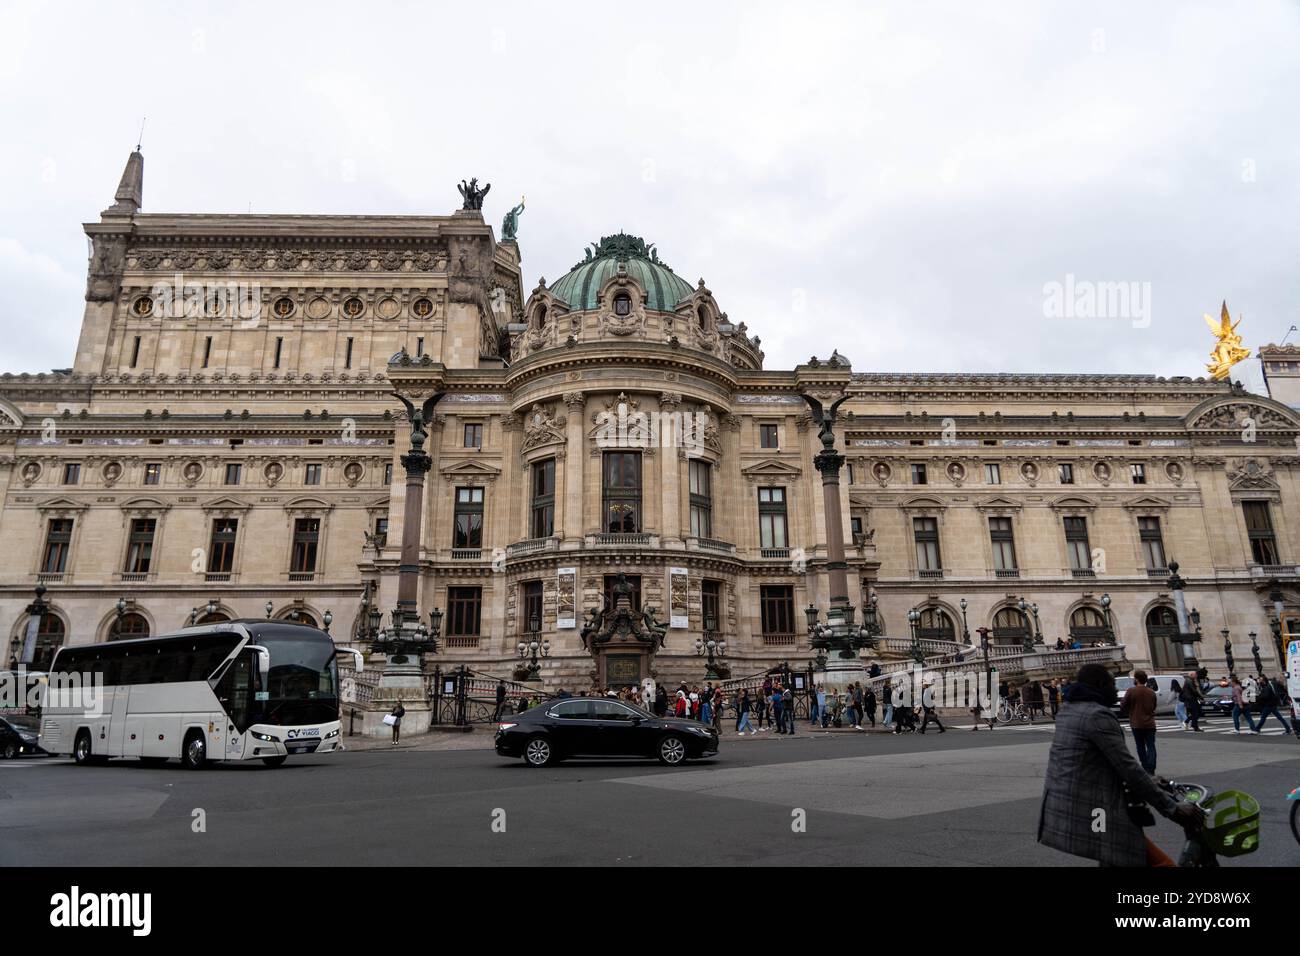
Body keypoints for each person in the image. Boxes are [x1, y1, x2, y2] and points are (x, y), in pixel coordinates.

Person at [1038, 663, 1203, 866]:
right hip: (1094, 810)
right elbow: (1127, 768)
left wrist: (1150, 779)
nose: (1116, 689)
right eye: (1111, 683)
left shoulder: (1069, 710)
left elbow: (1101, 762)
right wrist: (1172, 809)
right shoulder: (1096, 715)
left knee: (1119, 855)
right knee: (1143, 857)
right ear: (1100, 684)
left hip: (1068, 805)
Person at [1120, 670, 1159, 774]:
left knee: (1140, 745)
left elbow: (1123, 705)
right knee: (1151, 746)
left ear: (1136, 679)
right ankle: (1151, 767)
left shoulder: (1131, 691)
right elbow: (1154, 706)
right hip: (1150, 723)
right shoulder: (1151, 692)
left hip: (1136, 723)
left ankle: (1145, 766)